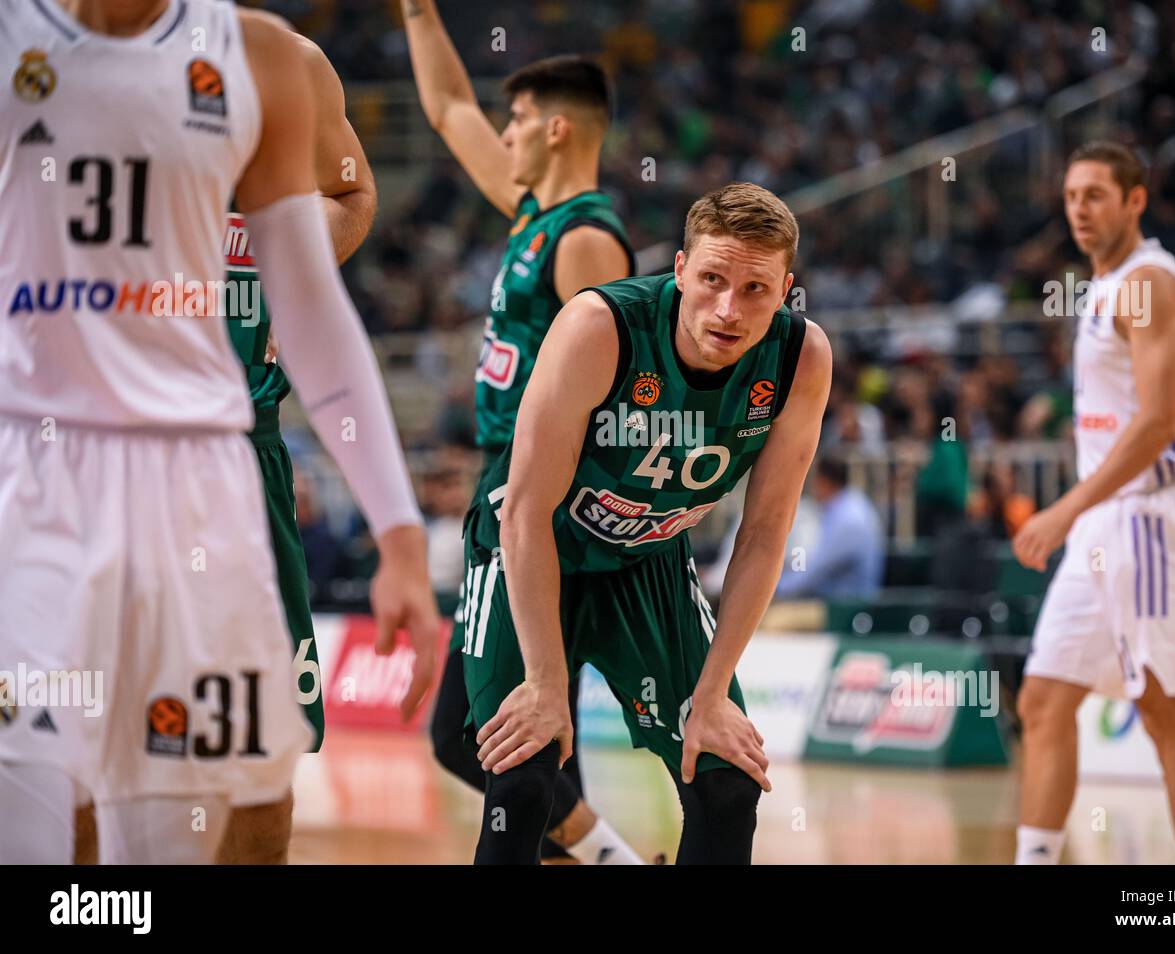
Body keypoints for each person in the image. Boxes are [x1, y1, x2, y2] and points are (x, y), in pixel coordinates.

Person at [0, 0, 439, 864]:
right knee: (54, 792)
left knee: (246, 788)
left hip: (211, 467)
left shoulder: (264, 57)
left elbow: (316, 313)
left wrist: (400, 534)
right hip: (38, 464)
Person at [461, 182, 832, 864]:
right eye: (713, 279)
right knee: (523, 778)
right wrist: (546, 684)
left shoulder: (800, 357)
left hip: (649, 560)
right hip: (537, 545)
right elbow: (525, 509)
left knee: (727, 784)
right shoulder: (599, 326)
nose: (728, 309)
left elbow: (765, 532)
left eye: (754, 288)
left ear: (785, 290)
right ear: (681, 269)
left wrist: (714, 694)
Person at [403, 0, 640, 864]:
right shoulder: (532, 213)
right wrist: (417, 12)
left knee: (494, 737)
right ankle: (608, 856)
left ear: (558, 128)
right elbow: (447, 109)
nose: (503, 134)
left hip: (541, 497)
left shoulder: (585, 241)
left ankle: (608, 857)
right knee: (489, 738)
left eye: (519, 120)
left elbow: (610, 399)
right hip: (503, 487)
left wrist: (550, 507)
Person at [1012, 141, 1175, 865]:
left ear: (1136, 200)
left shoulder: (1150, 281)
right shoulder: (1104, 287)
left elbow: (1158, 420)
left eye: (1096, 194)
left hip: (1152, 515)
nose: (1080, 209)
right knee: (1042, 701)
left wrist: (1064, 509)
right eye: (1071, 196)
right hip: (1107, 520)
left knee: (1167, 713)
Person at [774, 455, 885, 601]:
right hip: (836, 599)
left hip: (849, 607)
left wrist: (775, 589)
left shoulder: (848, 517)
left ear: (824, 481)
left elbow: (814, 571)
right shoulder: (847, 504)